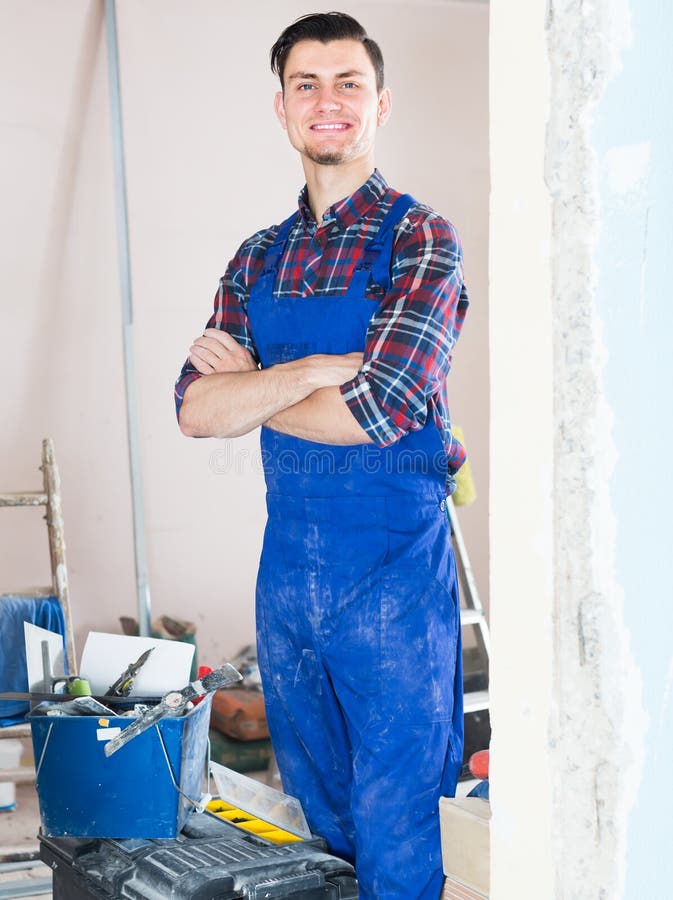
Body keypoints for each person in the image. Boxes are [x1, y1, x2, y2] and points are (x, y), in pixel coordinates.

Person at [175, 12, 469, 898]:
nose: (327, 101)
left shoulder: (421, 240)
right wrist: (302, 370)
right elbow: (193, 411)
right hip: (288, 578)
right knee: (314, 824)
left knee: (400, 824)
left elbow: (377, 409)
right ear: (282, 107)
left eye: (347, 83)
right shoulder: (256, 259)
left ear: (380, 103)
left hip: (393, 582)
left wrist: (254, 390)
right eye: (307, 84)